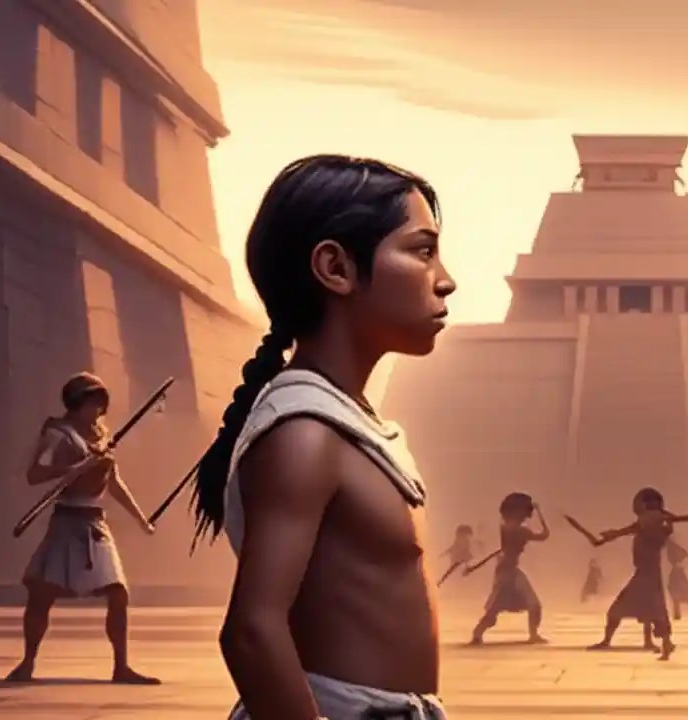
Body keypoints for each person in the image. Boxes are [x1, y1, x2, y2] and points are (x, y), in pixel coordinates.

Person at [189, 155, 455, 720]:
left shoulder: (349, 425)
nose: (445, 279)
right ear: (336, 267)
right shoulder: (306, 433)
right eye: (422, 250)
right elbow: (252, 632)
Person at [3, 373, 159, 685]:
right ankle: (28, 661)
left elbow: (113, 483)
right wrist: (75, 468)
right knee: (42, 594)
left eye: (100, 403)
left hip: (95, 524)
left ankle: (121, 666)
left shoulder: (101, 435)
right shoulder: (59, 434)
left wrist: (141, 519)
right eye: (91, 402)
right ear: (75, 404)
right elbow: (36, 473)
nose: (98, 409)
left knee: (118, 593)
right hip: (66, 523)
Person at [571, 488, 688, 660]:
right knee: (655, 611)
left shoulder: (652, 519)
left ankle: (610, 640)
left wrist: (612, 535)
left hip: (645, 575)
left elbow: (633, 528)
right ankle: (664, 643)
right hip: (649, 573)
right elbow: (663, 523)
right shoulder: (660, 524)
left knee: (621, 610)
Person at [467, 493, 550, 644]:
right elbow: (545, 535)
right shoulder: (518, 530)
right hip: (508, 572)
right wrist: (539, 512)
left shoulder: (506, 527)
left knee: (499, 608)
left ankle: (478, 633)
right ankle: (532, 635)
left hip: (507, 571)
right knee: (525, 604)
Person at [665, 539, 688, 621]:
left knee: (676, 598)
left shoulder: (676, 566)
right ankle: (677, 615)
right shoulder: (677, 567)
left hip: (676, 575)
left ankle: (677, 615)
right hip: (676, 576)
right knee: (675, 598)